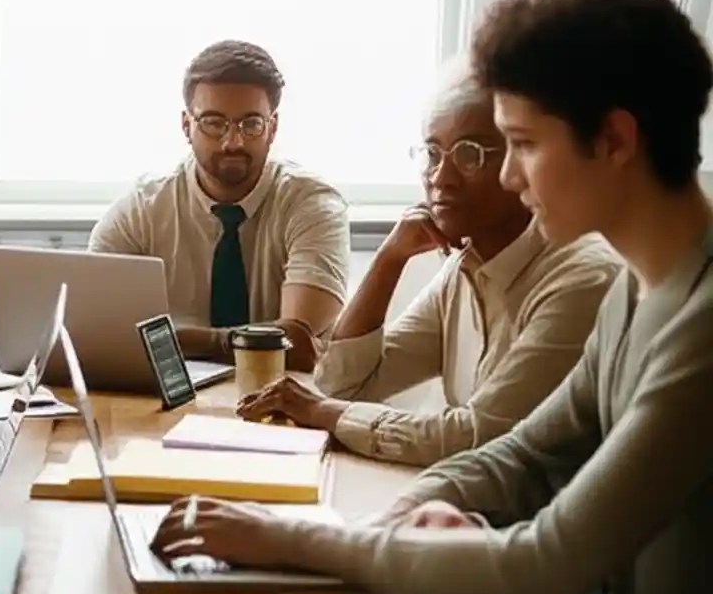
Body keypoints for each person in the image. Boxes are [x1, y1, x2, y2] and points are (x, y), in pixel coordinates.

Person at [153, 0, 713, 594]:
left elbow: (547, 567)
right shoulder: (638, 288)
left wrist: (287, 538)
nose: (508, 178)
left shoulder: (699, 323)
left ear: (615, 140)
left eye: (524, 145)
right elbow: (525, 453)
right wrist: (395, 524)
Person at [235, 60, 621, 466]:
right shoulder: (466, 267)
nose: (441, 177)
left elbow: (477, 437)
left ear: (522, 161)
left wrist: (319, 411)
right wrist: (389, 260)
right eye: (433, 153)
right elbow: (342, 384)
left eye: (469, 154)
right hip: (483, 499)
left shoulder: (581, 278)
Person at [87, 40, 349, 370]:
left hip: (285, 397)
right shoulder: (143, 208)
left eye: (251, 124)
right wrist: (230, 342)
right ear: (186, 125)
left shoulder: (313, 205)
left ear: (273, 128)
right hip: (170, 396)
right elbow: (95, 330)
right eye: (213, 122)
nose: (233, 141)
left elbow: (294, 343)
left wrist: (168, 341)